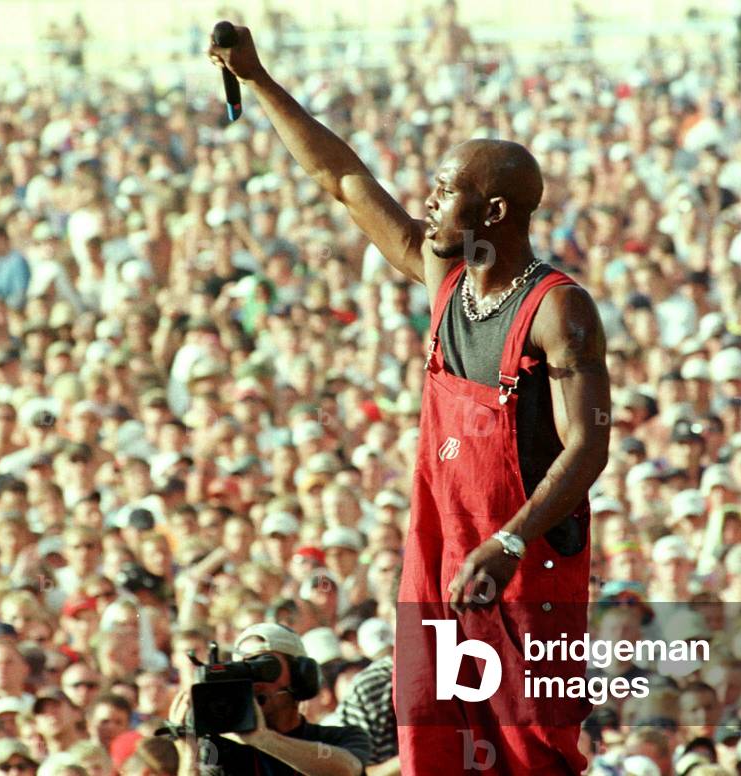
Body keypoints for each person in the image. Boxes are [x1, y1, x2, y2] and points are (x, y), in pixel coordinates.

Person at [208, 25, 610, 775]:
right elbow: (345, 182)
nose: (427, 204)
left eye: (444, 192)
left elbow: (590, 448)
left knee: (530, 750)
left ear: (493, 213)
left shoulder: (559, 310)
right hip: (441, 550)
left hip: (523, 568)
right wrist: (259, 80)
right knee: (433, 736)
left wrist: (510, 542)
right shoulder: (446, 280)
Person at [167, 623, 370, 776]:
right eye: (244, 669)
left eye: (265, 666)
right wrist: (188, 753)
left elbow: (348, 768)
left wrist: (264, 739)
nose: (255, 680)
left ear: (300, 675)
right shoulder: (223, 751)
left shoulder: (338, 738)